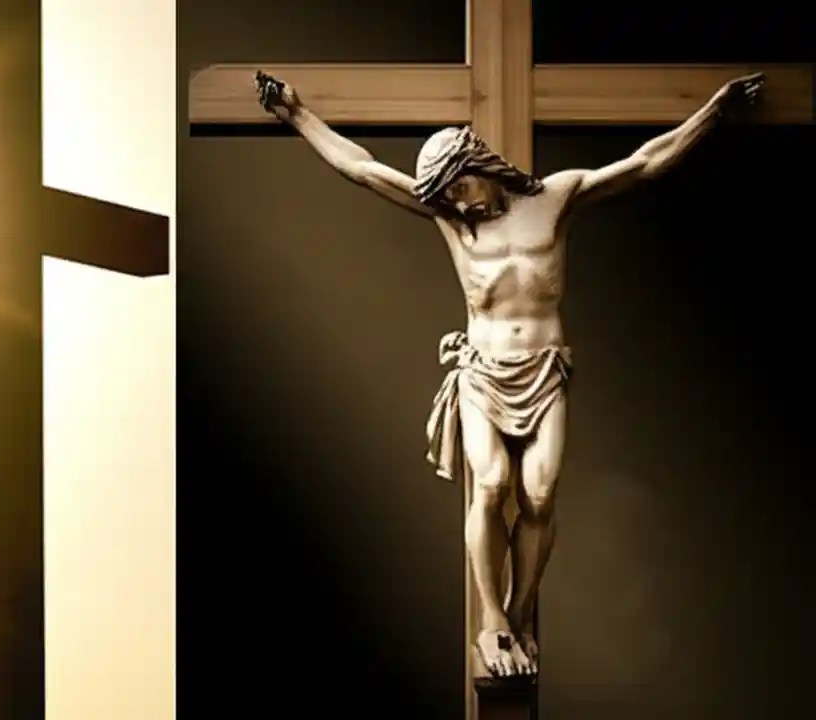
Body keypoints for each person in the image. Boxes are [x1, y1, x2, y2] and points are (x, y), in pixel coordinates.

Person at [254, 69, 764, 677]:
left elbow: (645, 163)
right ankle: (492, 620)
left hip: (545, 370)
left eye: (462, 187)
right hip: (482, 371)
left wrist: (712, 113)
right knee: (492, 484)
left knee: (541, 494)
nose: (460, 203)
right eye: (446, 197)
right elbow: (361, 167)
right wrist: (296, 115)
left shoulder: (557, 197)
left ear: (480, 164)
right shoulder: (450, 219)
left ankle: (519, 614)